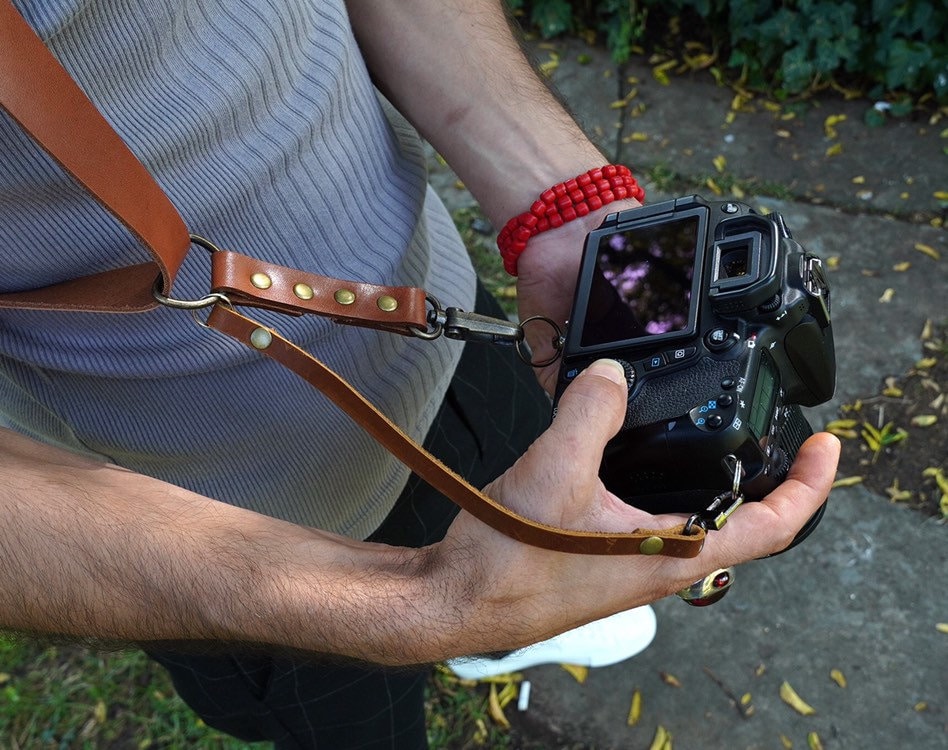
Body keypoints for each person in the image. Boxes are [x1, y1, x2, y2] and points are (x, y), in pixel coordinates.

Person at [0, 1, 840, 747]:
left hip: (445, 320)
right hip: (221, 518)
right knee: (355, 718)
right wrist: (406, 606)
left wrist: (569, 204)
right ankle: (482, 626)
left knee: (532, 487)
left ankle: (510, 632)